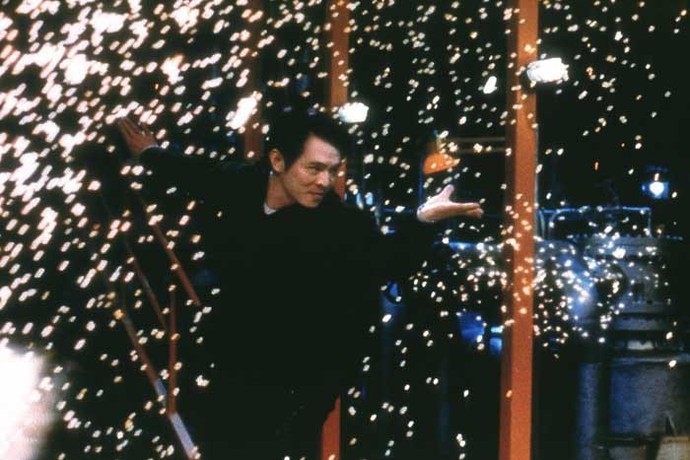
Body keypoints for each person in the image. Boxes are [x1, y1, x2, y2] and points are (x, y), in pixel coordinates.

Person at [115, 110, 483, 459]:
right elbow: (195, 174)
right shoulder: (243, 183)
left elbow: (385, 258)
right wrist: (150, 153)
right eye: (314, 168)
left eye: (332, 170)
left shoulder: (340, 224)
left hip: (300, 380)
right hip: (234, 365)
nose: (324, 181)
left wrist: (422, 220)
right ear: (277, 161)